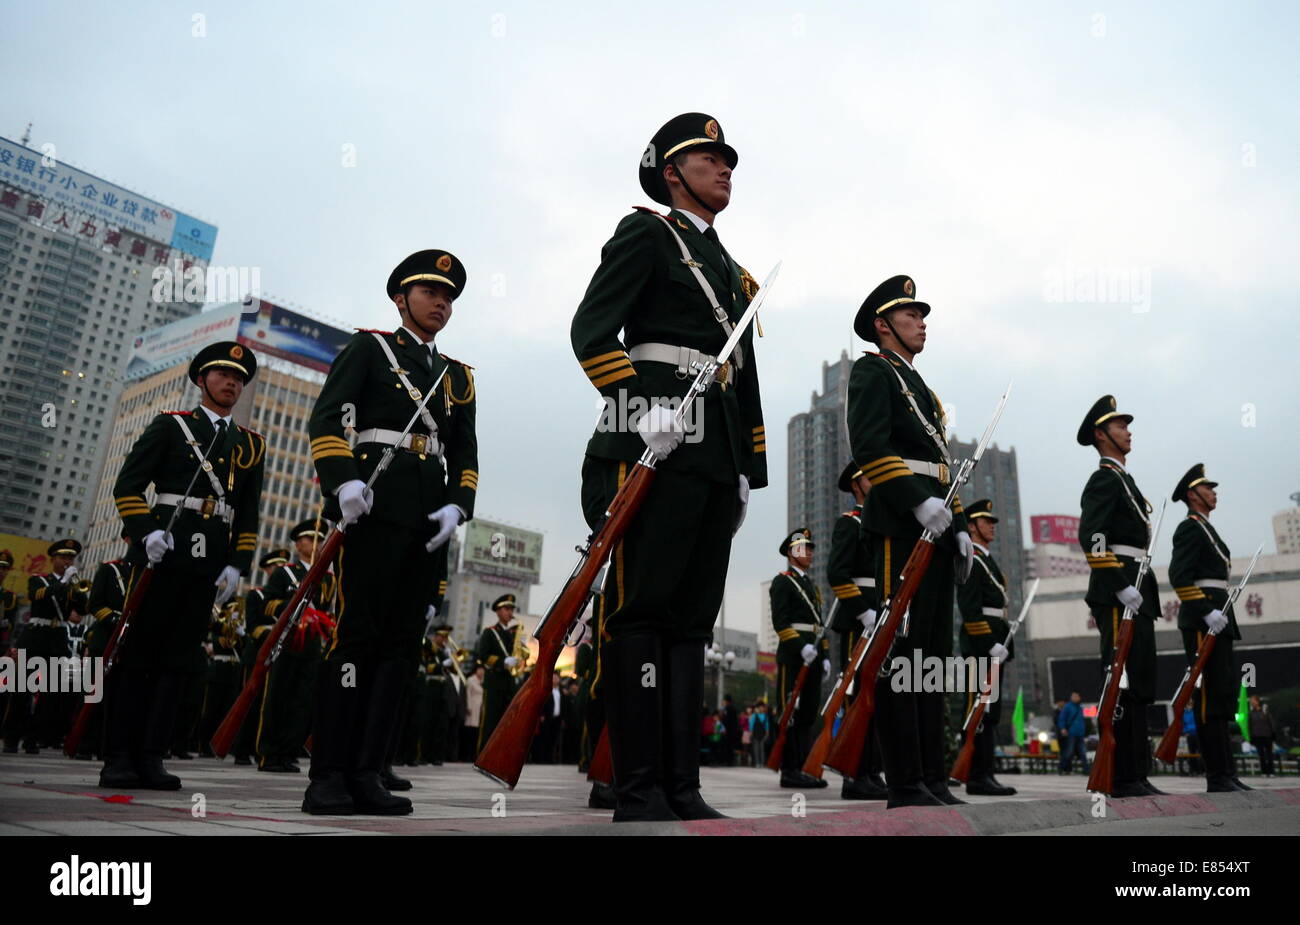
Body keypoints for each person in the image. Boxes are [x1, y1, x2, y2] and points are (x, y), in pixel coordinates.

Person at [571, 112, 766, 822]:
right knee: (642, 614)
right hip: (655, 442)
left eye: (727, 160)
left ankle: (682, 785)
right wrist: (635, 404)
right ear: (672, 171)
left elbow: (742, 373)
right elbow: (590, 328)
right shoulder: (647, 234)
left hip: (714, 455)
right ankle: (637, 785)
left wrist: (748, 465)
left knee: (690, 626)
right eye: (709, 158)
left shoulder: (732, 270)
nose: (725, 168)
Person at [303, 249, 478, 816]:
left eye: (449, 296)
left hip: (429, 522)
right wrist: (343, 482)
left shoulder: (457, 377)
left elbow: (466, 454)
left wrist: (459, 507)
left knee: (401, 647)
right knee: (357, 638)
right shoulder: (371, 349)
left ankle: (367, 771)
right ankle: (328, 774)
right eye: (430, 292)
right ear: (401, 298)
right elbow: (327, 418)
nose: (441, 304)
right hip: (374, 510)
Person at [106, 341, 266, 789]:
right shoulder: (172, 427)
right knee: (139, 658)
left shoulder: (250, 445)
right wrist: (146, 531)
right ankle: (119, 755)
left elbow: (249, 511)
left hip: (208, 563)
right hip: (163, 552)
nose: (232, 382)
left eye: (239, 378)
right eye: (222, 375)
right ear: (202, 380)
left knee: (178, 662)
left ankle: (152, 756)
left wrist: (239, 563)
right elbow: (128, 486)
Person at [846, 275, 973, 808]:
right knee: (905, 655)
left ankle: (932, 777)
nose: (922, 323)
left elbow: (944, 465)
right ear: (883, 325)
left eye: (922, 316)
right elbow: (870, 446)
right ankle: (904, 782)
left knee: (935, 657)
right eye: (911, 315)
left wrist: (961, 526)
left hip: (939, 525)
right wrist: (915, 499)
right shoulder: (873, 370)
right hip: (902, 523)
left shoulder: (925, 390)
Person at [1076, 395, 1162, 797]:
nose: (1128, 431)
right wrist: (1119, 583)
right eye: (1120, 425)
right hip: (1118, 591)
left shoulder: (1125, 479)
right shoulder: (1105, 480)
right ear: (1101, 434)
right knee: (1120, 679)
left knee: (1140, 678)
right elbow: (1091, 538)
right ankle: (1122, 775)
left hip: (1135, 585)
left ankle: (1137, 773)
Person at [1169, 464, 1246, 792]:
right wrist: (1205, 610)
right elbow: (1179, 576)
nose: (1214, 493)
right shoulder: (1189, 528)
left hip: (1219, 618)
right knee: (1207, 699)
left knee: (1223, 695)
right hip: (1204, 621)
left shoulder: (1207, 529)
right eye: (1208, 488)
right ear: (1192, 494)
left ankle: (1227, 772)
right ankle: (1216, 775)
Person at [826, 461, 886, 800]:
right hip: (860, 623)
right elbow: (838, 573)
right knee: (856, 698)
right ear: (855, 486)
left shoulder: (880, 523)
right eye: (868, 477)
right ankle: (853, 774)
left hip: (881, 617)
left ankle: (870, 771)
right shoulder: (850, 524)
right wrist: (863, 611)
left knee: (876, 699)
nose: (874, 481)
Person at [257, 518, 334, 773]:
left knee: (302, 701)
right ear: (299, 543)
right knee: (278, 696)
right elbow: (267, 604)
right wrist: (292, 608)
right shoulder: (285, 573)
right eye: (310, 539)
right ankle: (270, 753)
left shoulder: (326, 578)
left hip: (311, 645)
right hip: (287, 640)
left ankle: (289, 751)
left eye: (319, 540)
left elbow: (327, 611)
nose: (315, 544)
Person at [955, 499, 1017, 797]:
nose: (992, 524)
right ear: (970, 526)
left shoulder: (987, 558)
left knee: (990, 711)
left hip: (996, 638)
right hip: (982, 644)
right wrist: (987, 642)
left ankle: (985, 773)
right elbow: (969, 608)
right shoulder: (972, 558)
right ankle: (976, 776)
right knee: (978, 708)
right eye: (985, 520)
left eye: (993, 520)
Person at [3, 539, 80, 754]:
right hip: (35, 638)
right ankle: (11, 737)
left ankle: (33, 738)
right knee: (22, 691)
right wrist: (62, 583)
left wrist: (77, 590)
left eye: (71, 557)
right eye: (63, 557)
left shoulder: (70, 584)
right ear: (53, 558)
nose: (67, 561)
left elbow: (80, 611)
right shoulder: (38, 580)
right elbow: (38, 598)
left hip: (56, 640)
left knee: (49, 695)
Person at [770, 528, 829, 789]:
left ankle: (804, 768)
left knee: (808, 713)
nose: (810, 553)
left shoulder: (812, 587)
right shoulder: (783, 581)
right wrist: (801, 647)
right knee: (790, 711)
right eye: (805, 548)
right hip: (794, 656)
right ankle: (789, 769)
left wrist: (824, 655)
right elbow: (780, 622)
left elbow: (819, 625)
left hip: (813, 654)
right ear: (792, 553)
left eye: (811, 548)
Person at [231, 548, 289, 765]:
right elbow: (253, 627)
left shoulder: (286, 598)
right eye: (276, 567)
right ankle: (242, 749)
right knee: (251, 702)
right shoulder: (257, 594)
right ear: (267, 570)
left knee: (271, 704)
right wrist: (275, 632)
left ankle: (261, 747)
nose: (280, 571)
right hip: (256, 653)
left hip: (278, 654)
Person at [475, 593, 523, 752]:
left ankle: (498, 754)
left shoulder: (512, 634)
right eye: (507, 609)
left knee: (506, 721)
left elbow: (518, 655)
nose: (510, 613)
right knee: (490, 719)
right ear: (498, 611)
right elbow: (483, 656)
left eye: (511, 609)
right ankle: (483, 754)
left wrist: (521, 652)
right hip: (494, 681)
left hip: (509, 682)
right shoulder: (490, 632)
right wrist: (503, 662)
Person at [1057, 691, 1089, 773]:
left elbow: (1082, 721)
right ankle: (1061, 767)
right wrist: (1063, 728)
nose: (1074, 698)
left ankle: (1086, 770)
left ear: (1079, 697)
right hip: (1071, 733)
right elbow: (1062, 719)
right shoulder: (1067, 707)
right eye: (1073, 696)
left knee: (1083, 752)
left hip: (1080, 734)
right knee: (1069, 752)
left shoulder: (1080, 708)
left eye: (1076, 696)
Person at [1248, 696, 1276, 778]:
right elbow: (1250, 726)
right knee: (1261, 755)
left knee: (1269, 754)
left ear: (1257, 701)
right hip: (1257, 736)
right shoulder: (1251, 713)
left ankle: (1271, 772)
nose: (1252, 703)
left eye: (1253, 701)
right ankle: (1264, 772)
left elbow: (1271, 722)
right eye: (1251, 702)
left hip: (1267, 735)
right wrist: (1251, 737)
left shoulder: (1264, 711)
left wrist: (1273, 733)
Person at [463, 664, 485, 759]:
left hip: (480, 708)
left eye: (482, 670)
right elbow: (467, 693)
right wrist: (468, 706)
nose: (481, 672)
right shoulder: (471, 680)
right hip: (472, 707)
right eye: (479, 669)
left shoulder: (483, 681)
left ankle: (474, 754)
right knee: (470, 732)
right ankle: (468, 754)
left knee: (477, 732)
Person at [749, 702, 770, 767]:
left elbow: (767, 725)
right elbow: (751, 724)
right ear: (758, 708)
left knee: (762, 749)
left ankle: (762, 762)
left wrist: (767, 732)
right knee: (756, 749)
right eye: (760, 707)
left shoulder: (766, 716)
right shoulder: (754, 715)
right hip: (755, 733)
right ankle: (757, 762)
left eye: (763, 707)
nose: (761, 709)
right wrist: (751, 733)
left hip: (762, 734)